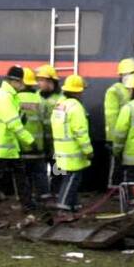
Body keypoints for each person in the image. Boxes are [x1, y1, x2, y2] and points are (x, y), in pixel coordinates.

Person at [0, 66, 34, 212]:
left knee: (17, 175)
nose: (23, 85)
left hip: (8, 145)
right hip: (2, 145)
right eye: (21, 82)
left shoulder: (8, 95)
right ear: (14, 81)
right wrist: (30, 140)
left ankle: (27, 203)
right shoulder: (4, 96)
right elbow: (13, 123)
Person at [50, 74, 92, 212]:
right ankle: (63, 205)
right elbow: (80, 131)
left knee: (69, 178)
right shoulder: (76, 107)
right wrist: (88, 150)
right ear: (77, 91)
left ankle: (75, 204)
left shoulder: (60, 105)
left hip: (61, 149)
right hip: (73, 151)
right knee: (73, 178)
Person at [16, 67, 51, 208]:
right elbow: (47, 125)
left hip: (21, 146)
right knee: (40, 174)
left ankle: (25, 201)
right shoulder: (40, 100)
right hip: (38, 146)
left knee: (23, 176)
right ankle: (44, 199)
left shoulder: (14, 99)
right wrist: (48, 144)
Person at [103, 57, 134, 185]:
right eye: (132, 73)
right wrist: (113, 139)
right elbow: (111, 117)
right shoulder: (114, 91)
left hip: (129, 134)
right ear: (123, 75)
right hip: (117, 135)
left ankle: (122, 188)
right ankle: (113, 187)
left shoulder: (132, 89)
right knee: (116, 164)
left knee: (126, 164)